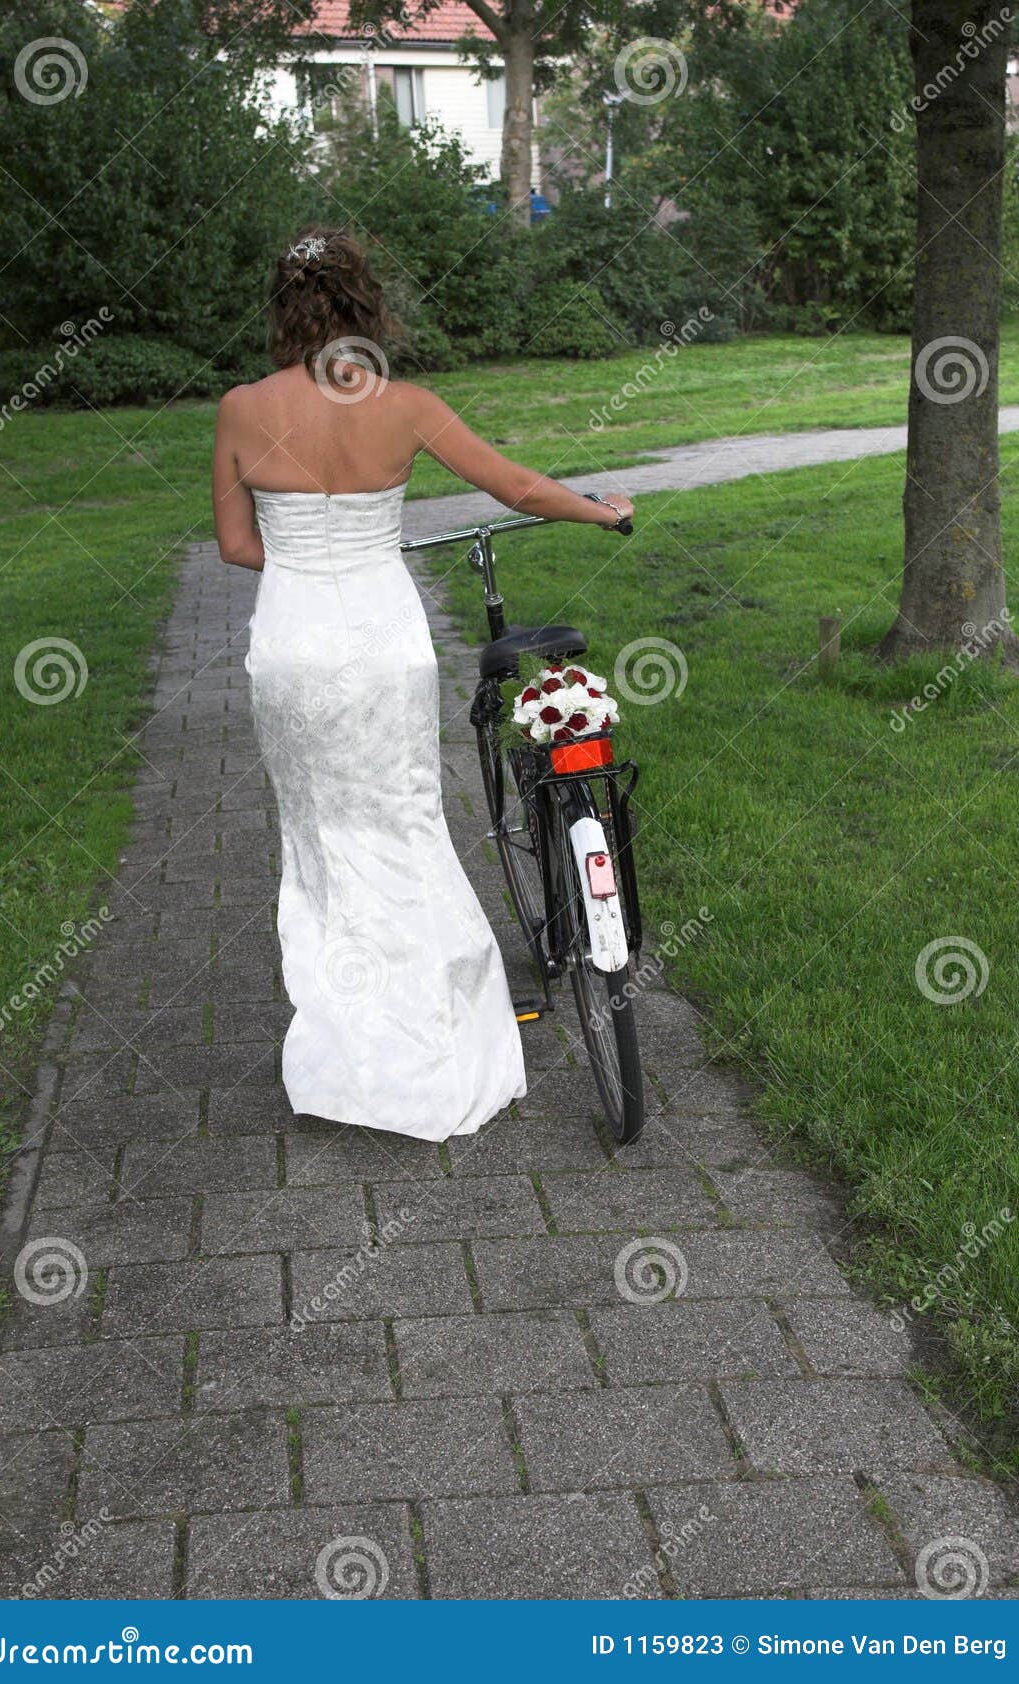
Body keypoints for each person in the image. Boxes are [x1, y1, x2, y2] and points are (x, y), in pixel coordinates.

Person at [212, 226, 634, 1142]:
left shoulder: (242, 407)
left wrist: (306, 564)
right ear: (365, 308)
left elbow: (238, 546)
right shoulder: (406, 406)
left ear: (284, 310)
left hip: (292, 646)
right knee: (401, 821)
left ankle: (349, 1042)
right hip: (383, 642)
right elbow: (517, 489)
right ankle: (431, 1036)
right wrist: (604, 513)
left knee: (322, 835)